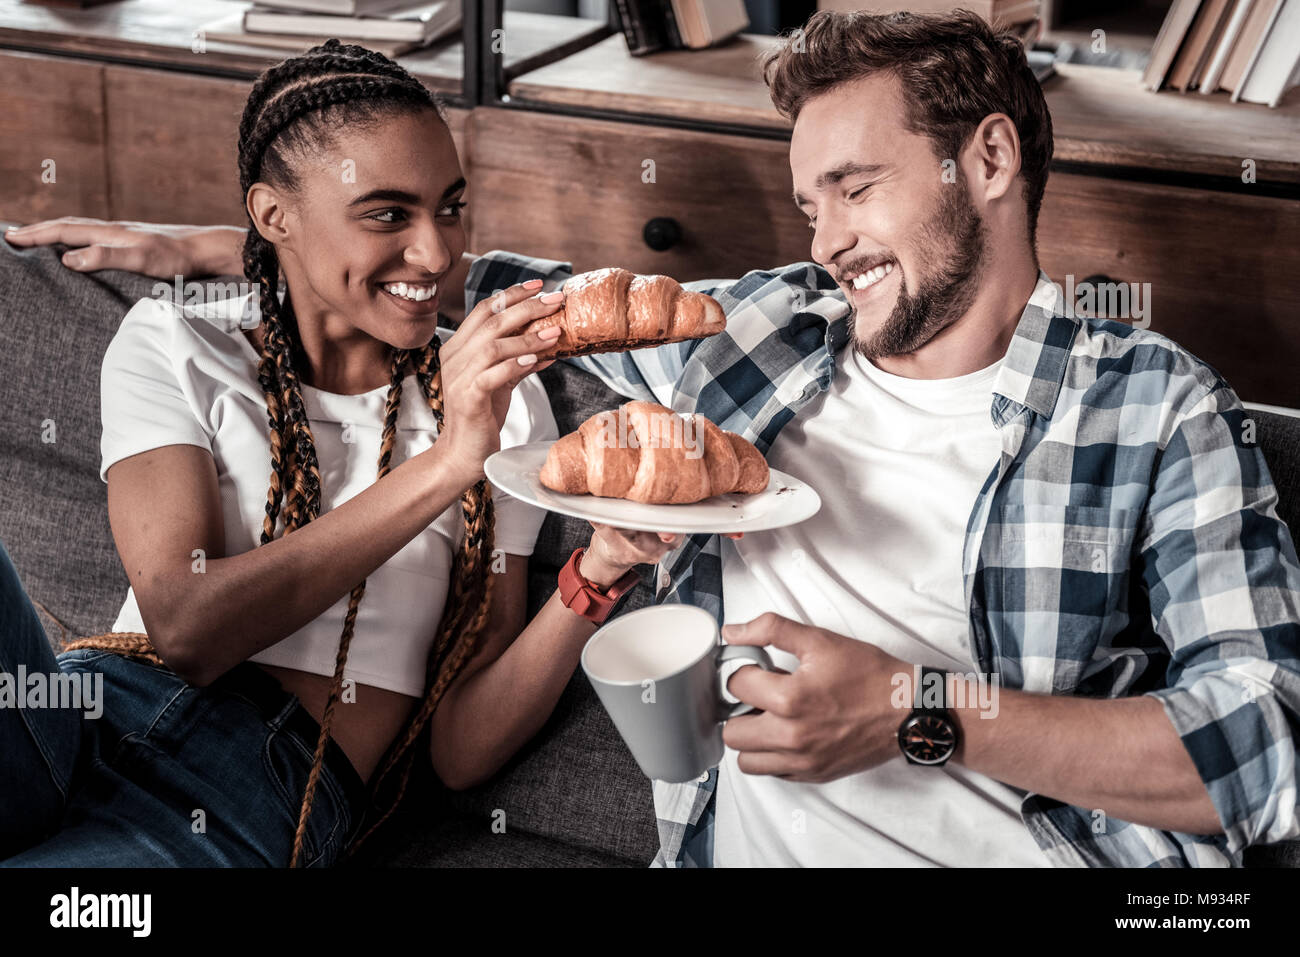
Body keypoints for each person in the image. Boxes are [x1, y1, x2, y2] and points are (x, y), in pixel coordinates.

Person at [9, 10, 1300, 868]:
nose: (825, 239)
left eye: (857, 187)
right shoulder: (764, 334)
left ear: (993, 159)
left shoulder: (1152, 409)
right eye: (807, 203)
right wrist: (201, 247)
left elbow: (1266, 748)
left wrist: (922, 714)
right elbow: (468, 282)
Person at [0, 40, 746, 868]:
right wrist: (447, 463)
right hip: (74, 711)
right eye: (389, 214)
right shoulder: (173, 340)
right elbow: (186, 624)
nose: (436, 254)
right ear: (274, 215)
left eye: (451, 208)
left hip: (258, 794)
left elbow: (460, 750)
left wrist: (598, 573)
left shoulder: (505, 397)